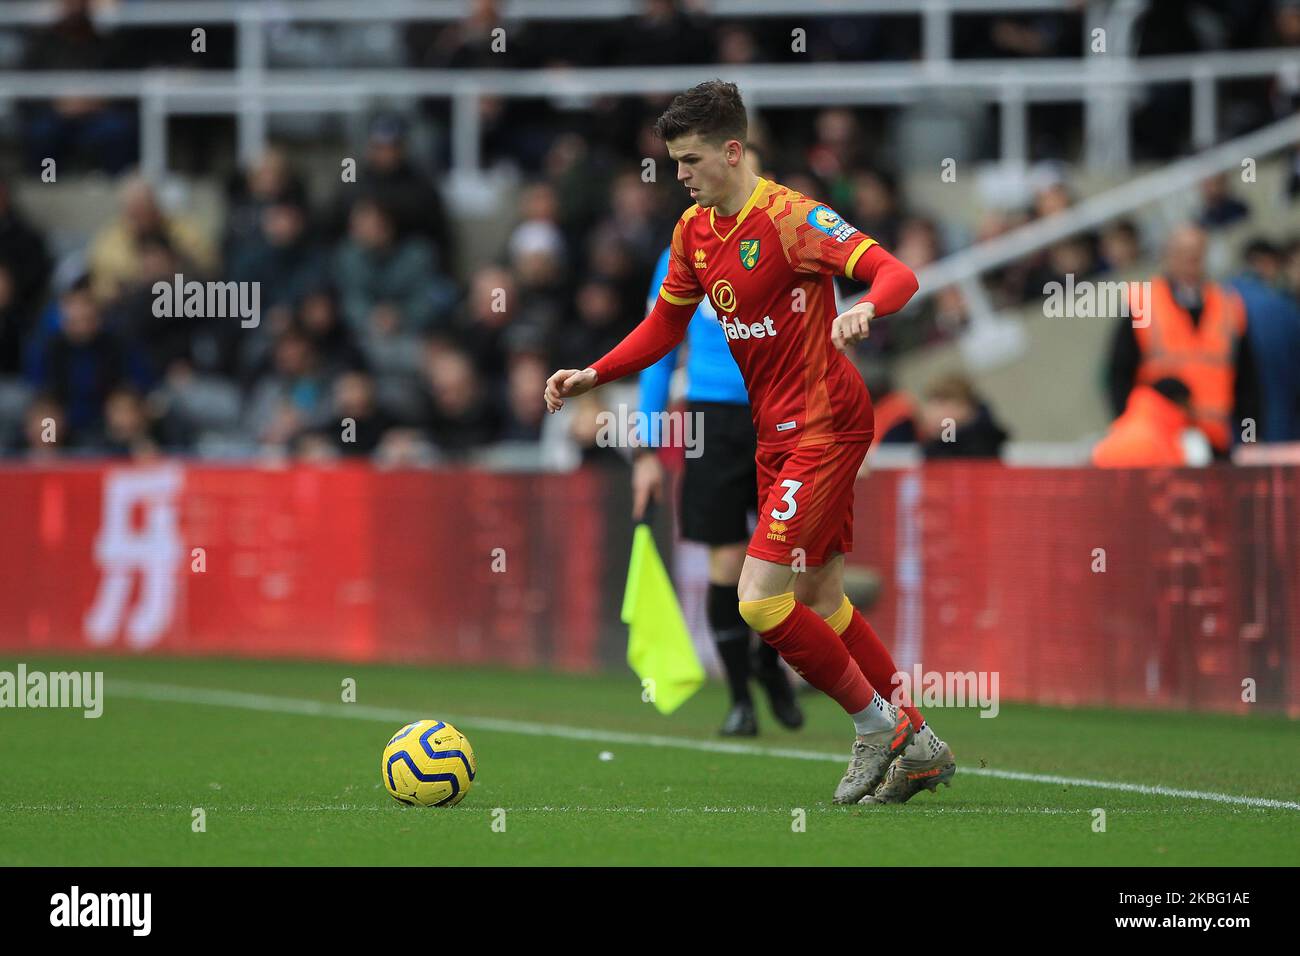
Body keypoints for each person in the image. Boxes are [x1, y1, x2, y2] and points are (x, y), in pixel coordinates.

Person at [545, 80, 954, 806]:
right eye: (673, 163)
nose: (680, 176)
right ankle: (917, 741)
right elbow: (665, 328)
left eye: (691, 160)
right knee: (821, 597)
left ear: (733, 152)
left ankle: (874, 728)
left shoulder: (796, 220)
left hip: (827, 422)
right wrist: (594, 373)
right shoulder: (693, 232)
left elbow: (899, 273)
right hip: (773, 430)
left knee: (759, 602)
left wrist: (864, 310)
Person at [632, 143, 804, 738]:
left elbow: (822, 335)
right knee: (727, 555)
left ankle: (767, 660)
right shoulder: (685, 249)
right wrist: (647, 449)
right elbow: (656, 351)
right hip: (711, 418)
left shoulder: (784, 241)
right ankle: (739, 699)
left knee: (788, 558)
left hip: (781, 407)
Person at [1106, 224, 1259, 456]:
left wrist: (1250, 438)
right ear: (1168, 257)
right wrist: (1130, 430)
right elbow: (1119, 374)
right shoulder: (1143, 303)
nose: (1190, 265)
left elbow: (1248, 383)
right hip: (1159, 439)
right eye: (1183, 256)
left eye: (1196, 257)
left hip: (1214, 441)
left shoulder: (1228, 307)